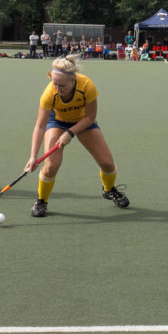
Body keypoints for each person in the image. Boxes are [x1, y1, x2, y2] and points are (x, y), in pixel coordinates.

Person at [24, 55, 129, 217]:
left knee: (107, 163)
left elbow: (90, 117)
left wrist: (70, 133)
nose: (57, 88)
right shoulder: (49, 93)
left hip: (83, 121)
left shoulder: (86, 85)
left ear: (73, 80)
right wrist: (32, 156)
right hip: (57, 121)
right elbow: (39, 125)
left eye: (62, 85)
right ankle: (41, 200)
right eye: (55, 83)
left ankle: (108, 190)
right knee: (51, 166)